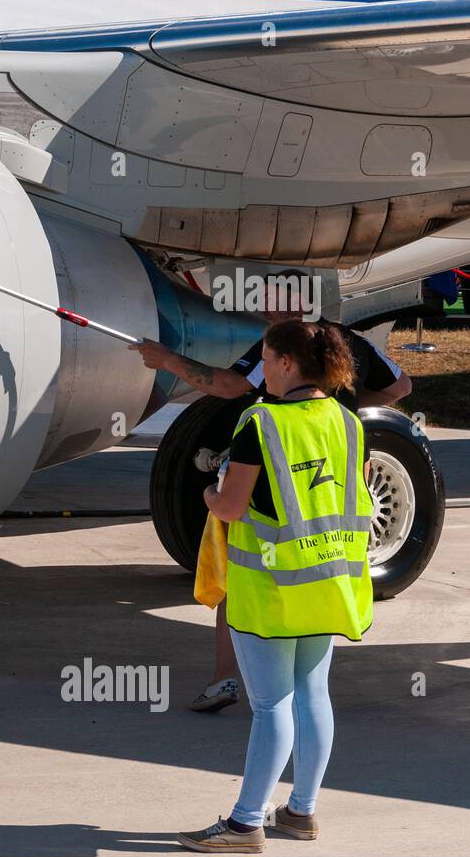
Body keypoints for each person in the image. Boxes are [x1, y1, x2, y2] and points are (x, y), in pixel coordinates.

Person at [131, 276, 409, 713]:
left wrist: (167, 360)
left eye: (276, 301)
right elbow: (399, 388)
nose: (266, 309)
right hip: (331, 478)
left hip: (277, 473)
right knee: (316, 569)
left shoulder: (286, 350)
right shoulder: (347, 344)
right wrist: (339, 405)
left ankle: (229, 678)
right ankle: (302, 686)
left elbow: (225, 386)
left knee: (236, 573)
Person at [176, 320, 373, 853]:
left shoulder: (259, 423)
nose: (261, 369)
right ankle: (301, 812)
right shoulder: (345, 418)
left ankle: (244, 825)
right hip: (329, 581)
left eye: (265, 358)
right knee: (314, 697)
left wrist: (209, 497)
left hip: (271, 587)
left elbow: (234, 505)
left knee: (270, 707)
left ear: (287, 363)